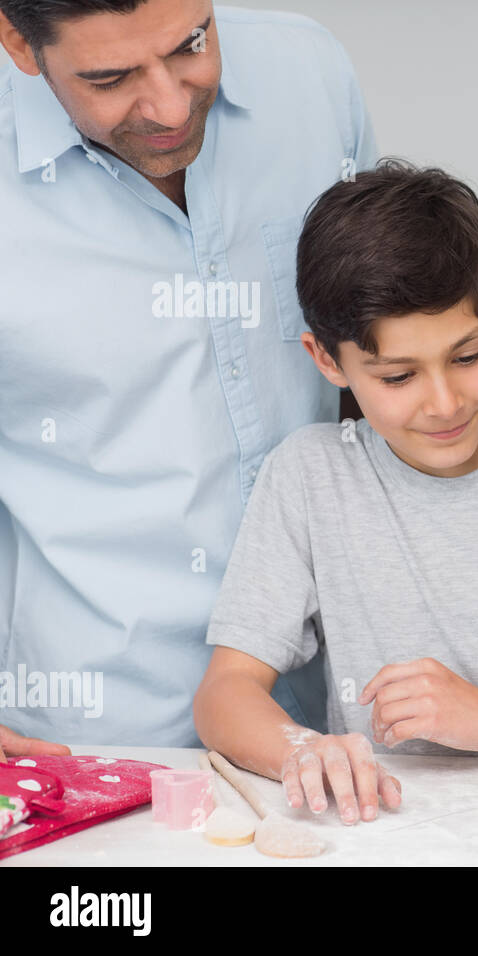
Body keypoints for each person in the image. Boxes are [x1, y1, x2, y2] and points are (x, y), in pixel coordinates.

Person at [193, 161, 478, 824]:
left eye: (468, 356)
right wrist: (301, 751)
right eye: (398, 376)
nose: (445, 402)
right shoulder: (310, 477)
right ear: (327, 360)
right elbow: (225, 692)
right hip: (387, 835)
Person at [0, 0, 375, 756]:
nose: (171, 105)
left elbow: (373, 357)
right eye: (110, 77)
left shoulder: (311, 75)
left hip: (343, 716)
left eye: (192, 45)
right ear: (18, 42)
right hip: (98, 742)